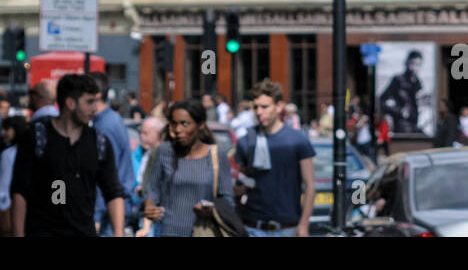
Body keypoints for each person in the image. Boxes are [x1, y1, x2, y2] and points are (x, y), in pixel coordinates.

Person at [11, 74, 126, 237]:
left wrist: (119, 234)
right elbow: (19, 191)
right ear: (70, 103)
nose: (95, 108)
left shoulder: (99, 142)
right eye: (89, 102)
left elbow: (113, 192)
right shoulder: (37, 137)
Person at [234, 80, 316, 237]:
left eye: (264, 107)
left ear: (279, 107)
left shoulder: (298, 140)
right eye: (255, 107)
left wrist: (304, 225)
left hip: (288, 227)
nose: (259, 112)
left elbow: (310, 185)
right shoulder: (246, 141)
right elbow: (240, 183)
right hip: (253, 227)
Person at [142, 99, 234, 237]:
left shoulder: (217, 155)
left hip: (204, 232)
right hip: (167, 231)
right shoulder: (164, 151)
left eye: (184, 124)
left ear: (200, 125)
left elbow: (228, 201)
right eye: (174, 124)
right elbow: (152, 189)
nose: (178, 130)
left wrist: (210, 210)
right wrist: (150, 205)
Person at [90, 72, 137, 235]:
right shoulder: (108, 121)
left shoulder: (105, 126)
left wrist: (96, 215)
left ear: (96, 95)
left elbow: (107, 176)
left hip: (107, 214)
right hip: (110, 209)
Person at [0, 115, 27, 236]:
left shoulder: (8, 154)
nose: (3, 132)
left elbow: (2, 186)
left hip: (9, 208)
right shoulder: (32, 151)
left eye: (6, 129)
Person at [378, 50, 425, 133]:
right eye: (412, 63)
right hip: (402, 125)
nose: (414, 68)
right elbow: (380, 101)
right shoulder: (398, 81)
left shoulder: (418, 83)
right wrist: (399, 111)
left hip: (416, 124)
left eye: (418, 65)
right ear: (407, 63)